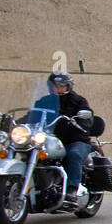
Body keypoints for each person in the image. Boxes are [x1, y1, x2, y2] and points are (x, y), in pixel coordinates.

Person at [48, 72, 95, 204]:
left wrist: (81, 123)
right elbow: (33, 114)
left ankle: (72, 189)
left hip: (76, 140)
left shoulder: (78, 101)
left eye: (61, 86)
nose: (57, 88)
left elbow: (88, 117)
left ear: (68, 86)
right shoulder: (45, 101)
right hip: (54, 140)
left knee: (73, 154)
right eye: (54, 86)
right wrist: (18, 123)